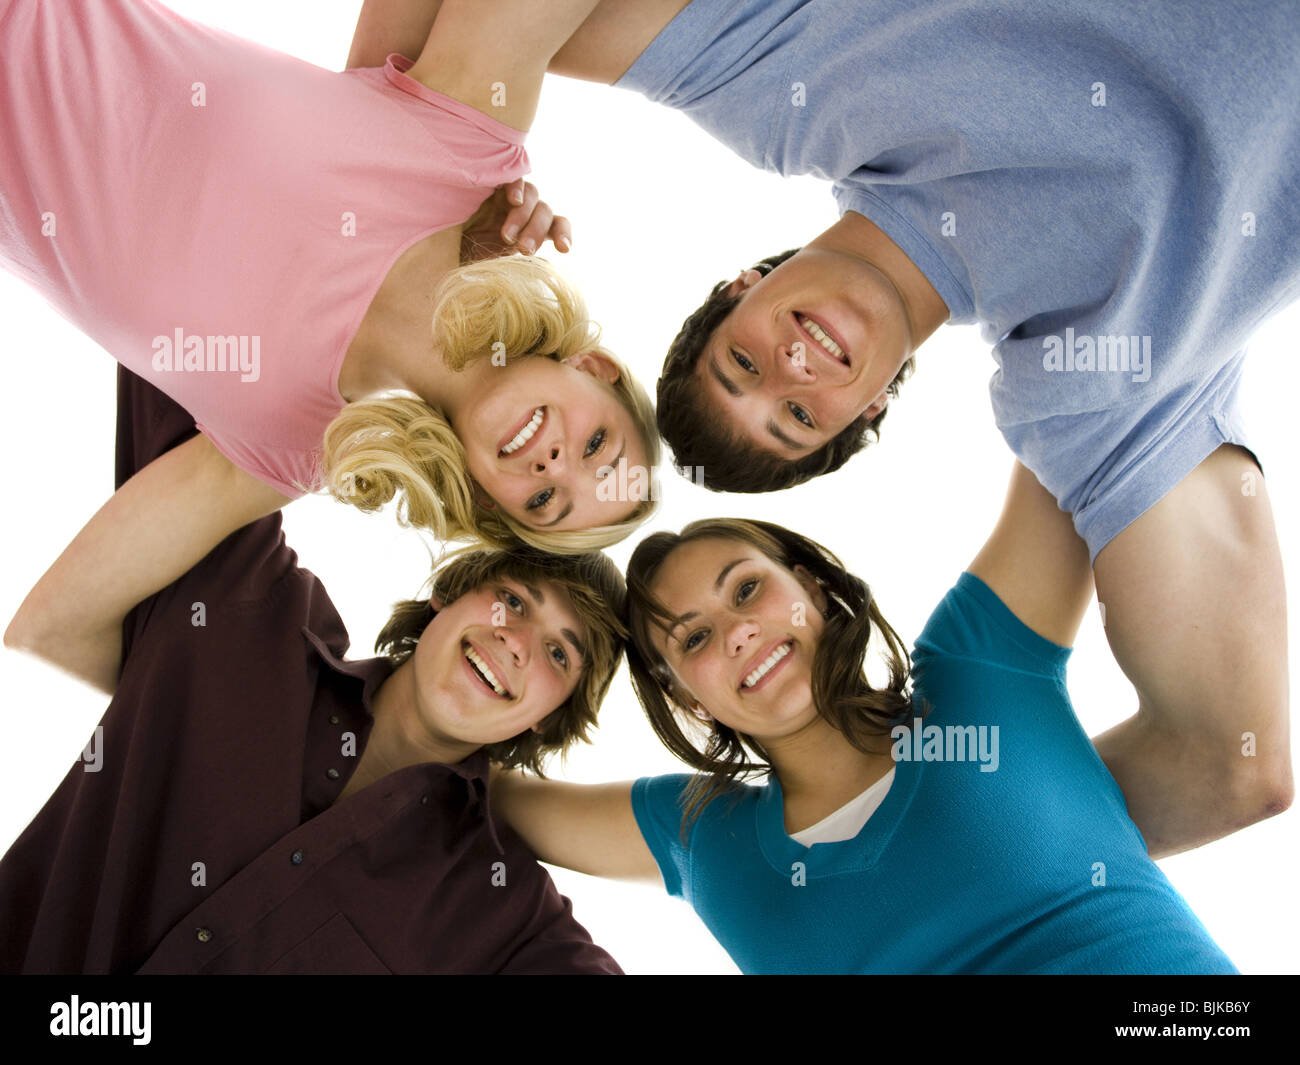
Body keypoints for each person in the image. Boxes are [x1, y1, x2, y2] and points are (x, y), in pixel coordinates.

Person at [364, 0, 1296, 856]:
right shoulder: (1084, 394)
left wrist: (420, 207)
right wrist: (949, 849)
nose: (793, 371)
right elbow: (1234, 767)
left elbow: (448, 38)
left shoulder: (802, 88)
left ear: (743, 285)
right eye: (799, 417)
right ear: (874, 408)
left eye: (743, 364)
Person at [0, 0, 660, 596]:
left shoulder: (288, 447)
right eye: (598, 446)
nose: (553, 464)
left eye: (545, 499)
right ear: (594, 370)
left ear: (490, 502)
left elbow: (56, 622)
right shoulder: (462, 145)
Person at [0, 365, 625, 974]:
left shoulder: (506, 916)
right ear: (447, 595)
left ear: (552, 717)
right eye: (513, 600)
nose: (517, 642)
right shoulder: (246, 605)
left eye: (559, 654)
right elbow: (176, 352)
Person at [490, 472, 1238, 974]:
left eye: (747, 589)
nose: (738, 632)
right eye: (693, 639)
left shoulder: (978, 674)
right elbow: (484, 791)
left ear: (811, 591)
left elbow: (1064, 438)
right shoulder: (702, 834)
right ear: (686, 695)